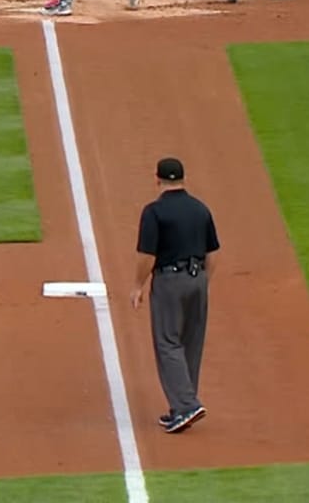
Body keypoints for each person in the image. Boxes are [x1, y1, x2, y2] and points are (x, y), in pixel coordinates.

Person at [129, 157, 220, 435]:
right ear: (183, 178)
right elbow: (212, 252)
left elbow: (147, 255)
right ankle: (181, 407)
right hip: (198, 278)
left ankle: (186, 404)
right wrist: (203, 282)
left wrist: (138, 285)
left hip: (170, 281)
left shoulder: (154, 212)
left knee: (168, 342)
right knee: (191, 342)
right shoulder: (200, 209)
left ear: (157, 178)